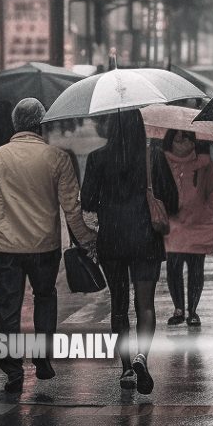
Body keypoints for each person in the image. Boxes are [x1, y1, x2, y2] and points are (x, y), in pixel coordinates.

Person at [0, 98, 96, 392]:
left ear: (15, 125)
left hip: (7, 248)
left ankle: (12, 369)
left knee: (8, 306)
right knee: (45, 297)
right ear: (41, 124)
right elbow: (72, 207)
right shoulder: (57, 158)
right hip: (44, 246)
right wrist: (86, 239)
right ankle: (42, 359)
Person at [81, 111, 178, 393]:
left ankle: (125, 369)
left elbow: (87, 200)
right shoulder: (153, 157)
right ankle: (141, 357)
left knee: (119, 304)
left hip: (112, 238)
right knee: (145, 304)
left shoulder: (97, 158)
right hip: (145, 237)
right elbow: (171, 199)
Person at [162, 129, 213, 328]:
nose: (182, 142)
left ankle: (192, 310)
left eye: (186, 137)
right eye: (178, 138)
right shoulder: (161, 162)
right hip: (173, 224)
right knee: (174, 267)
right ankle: (179, 309)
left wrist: (210, 210)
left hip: (199, 224)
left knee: (196, 269)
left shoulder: (203, 163)